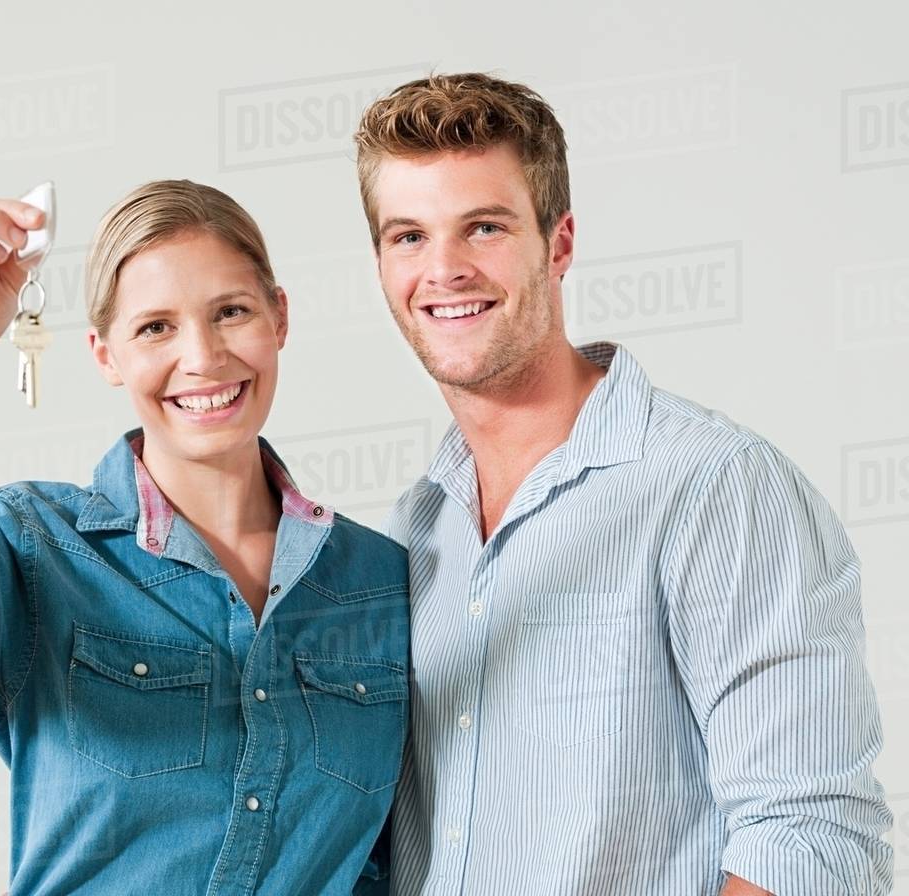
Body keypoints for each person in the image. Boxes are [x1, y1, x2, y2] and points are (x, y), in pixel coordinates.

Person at [351, 73, 893, 895]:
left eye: (484, 227)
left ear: (559, 243)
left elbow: (812, 840)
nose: (445, 268)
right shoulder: (416, 530)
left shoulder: (714, 488)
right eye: (409, 236)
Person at [0, 180, 409, 894]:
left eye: (231, 312)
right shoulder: (36, 547)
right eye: (155, 327)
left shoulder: (380, 581)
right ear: (104, 354)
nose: (204, 357)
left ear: (279, 317)